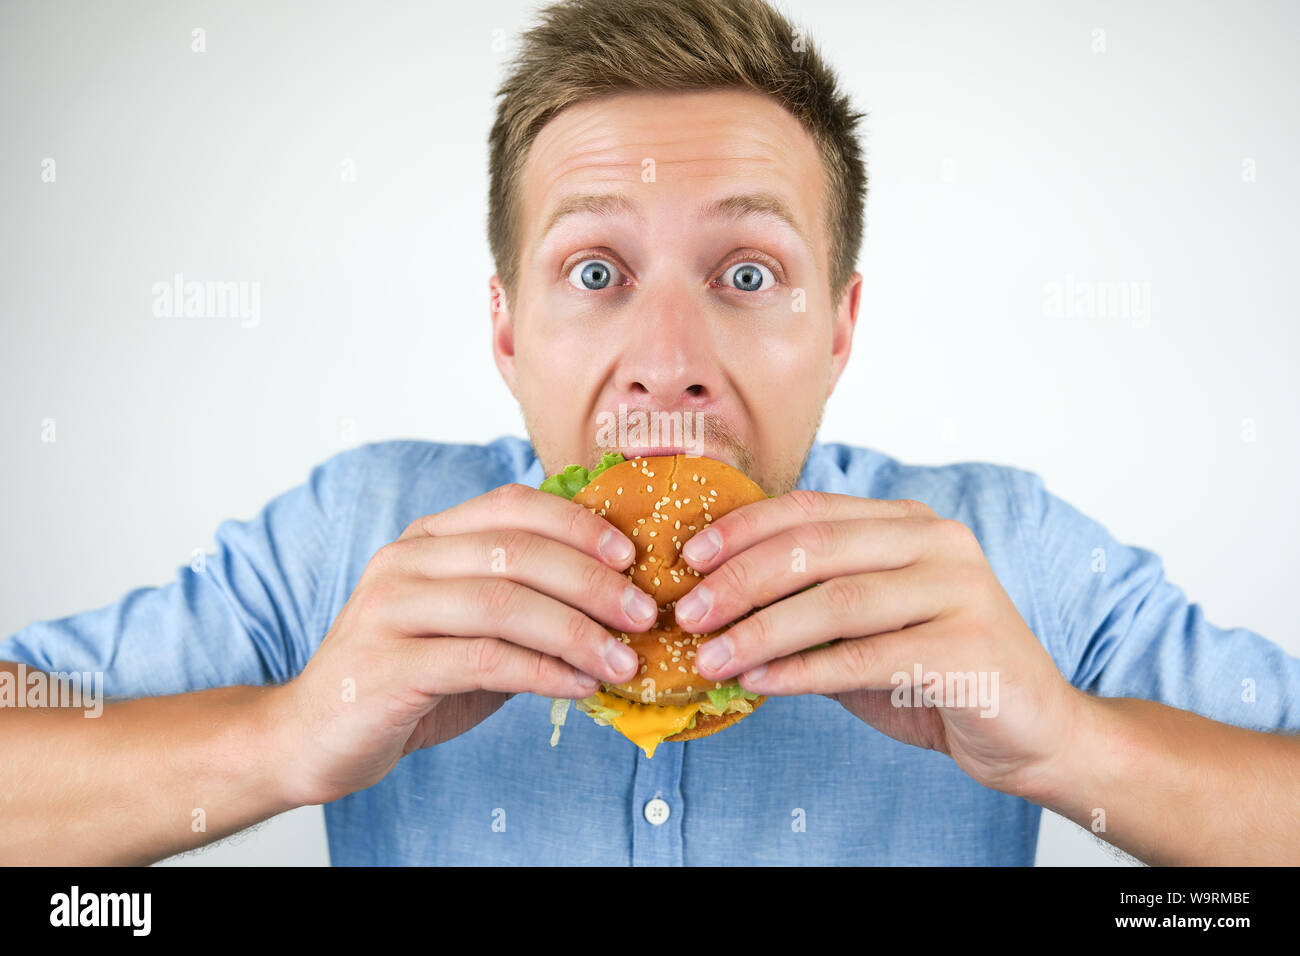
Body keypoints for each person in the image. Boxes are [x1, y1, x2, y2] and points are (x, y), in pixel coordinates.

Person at [2, 0, 1297, 866]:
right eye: (595, 272)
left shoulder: (1003, 556)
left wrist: (1073, 741)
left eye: (745, 275)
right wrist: (278, 737)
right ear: (506, 330)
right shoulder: (364, 541)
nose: (671, 369)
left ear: (839, 328)